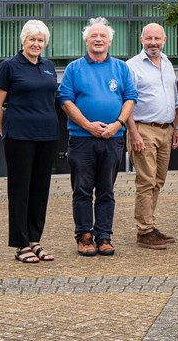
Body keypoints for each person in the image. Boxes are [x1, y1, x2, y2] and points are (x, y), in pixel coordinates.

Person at [58, 17, 138, 257]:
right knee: (82, 190)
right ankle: (84, 236)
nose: (99, 39)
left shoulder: (121, 68)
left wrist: (118, 124)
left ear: (110, 41)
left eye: (103, 36)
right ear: (86, 40)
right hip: (82, 138)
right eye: (94, 36)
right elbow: (65, 100)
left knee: (106, 191)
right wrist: (87, 125)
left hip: (113, 138)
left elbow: (130, 98)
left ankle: (104, 236)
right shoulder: (74, 68)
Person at [0, 20, 59, 264]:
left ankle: (35, 240)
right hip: (19, 137)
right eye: (32, 39)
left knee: (40, 191)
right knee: (20, 191)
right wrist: (6, 131)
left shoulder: (48, 66)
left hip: (47, 135)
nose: (36, 44)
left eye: (40, 40)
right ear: (23, 41)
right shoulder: (9, 66)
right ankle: (20, 244)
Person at [125, 23, 178, 250]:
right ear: (141, 39)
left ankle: (150, 225)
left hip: (166, 129)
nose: (153, 43)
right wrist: (133, 132)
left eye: (157, 38)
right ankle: (144, 231)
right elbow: (127, 102)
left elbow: (175, 100)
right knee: (146, 181)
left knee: (158, 181)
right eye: (149, 38)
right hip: (143, 129)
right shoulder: (132, 66)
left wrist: (177, 128)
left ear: (164, 39)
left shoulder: (168, 63)